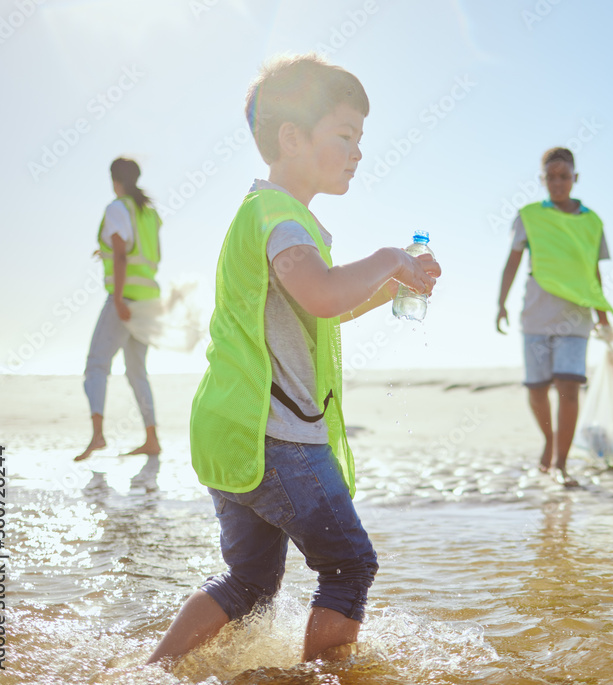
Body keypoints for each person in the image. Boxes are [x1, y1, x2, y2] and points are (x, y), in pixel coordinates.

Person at [145, 54, 440, 667]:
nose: (358, 151)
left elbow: (320, 308)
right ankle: (321, 681)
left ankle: (153, 673)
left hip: (233, 431)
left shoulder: (279, 217)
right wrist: (390, 257)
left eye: (361, 138)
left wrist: (392, 289)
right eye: (345, 135)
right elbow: (322, 291)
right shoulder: (279, 216)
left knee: (250, 584)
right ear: (291, 137)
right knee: (350, 563)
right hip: (273, 435)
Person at [496, 147, 613, 487]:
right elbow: (513, 261)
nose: (558, 182)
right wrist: (500, 302)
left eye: (565, 176)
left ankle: (561, 464)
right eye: (551, 176)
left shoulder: (592, 222)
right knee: (536, 390)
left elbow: (593, 273)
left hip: (576, 317)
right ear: (542, 180)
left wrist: (602, 315)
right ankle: (550, 440)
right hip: (536, 314)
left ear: (575, 179)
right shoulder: (528, 216)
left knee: (569, 388)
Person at [76, 158, 162, 462]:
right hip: (150, 299)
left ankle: (98, 436)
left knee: (96, 364)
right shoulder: (149, 213)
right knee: (138, 371)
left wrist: (117, 300)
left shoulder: (117, 208)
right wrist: (107, 253)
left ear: (115, 180)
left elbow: (123, 256)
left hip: (126, 299)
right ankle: (152, 439)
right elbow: (139, 253)